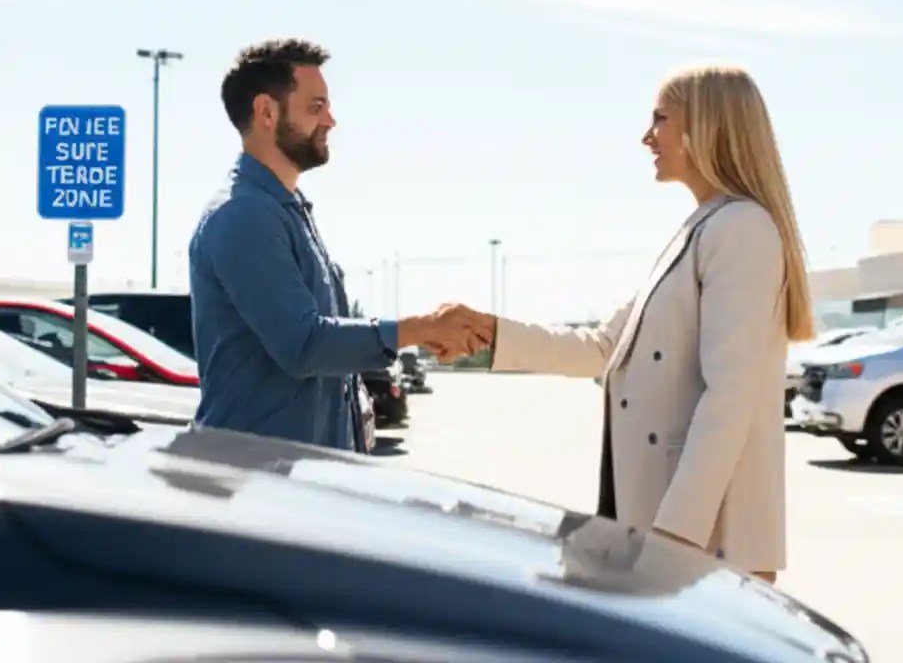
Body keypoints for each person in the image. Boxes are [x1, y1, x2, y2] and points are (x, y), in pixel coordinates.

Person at [448, 65, 813, 583]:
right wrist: (490, 332)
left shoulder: (740, 229)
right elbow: (602, 347)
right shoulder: (700, 227)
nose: (647, 137)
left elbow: (729, 396)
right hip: (663, 523)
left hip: (705, 541)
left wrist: (674, 537)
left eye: (661, 119)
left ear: (706, 126)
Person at [188, 39, 487, 452]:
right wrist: (422, 328)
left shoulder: (287, 210)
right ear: (266, 112)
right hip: (260, 487)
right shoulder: (243, 216)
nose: (331, 120)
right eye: (315, 107)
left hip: (302, 477)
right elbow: (305, 345)